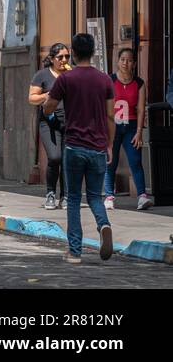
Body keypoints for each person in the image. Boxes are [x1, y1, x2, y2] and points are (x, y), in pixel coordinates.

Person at [44, 32, 115, 263]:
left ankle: (75, 252)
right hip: (97, 147)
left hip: (74, 146)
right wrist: (109, 145)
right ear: (93, 52)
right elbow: (111, 116)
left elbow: (48, 107)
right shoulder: (105, 79)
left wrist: (49, 103)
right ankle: (103, 224)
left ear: (73, 53)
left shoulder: (66, 79)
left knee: (73, 198)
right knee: (95, 196)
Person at [106, 47, 153, 211]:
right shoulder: (110, 80)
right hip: (113, 127)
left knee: (136, 161)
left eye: (130, 60)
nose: (126, 63)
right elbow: (105, 107)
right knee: (111, 162)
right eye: (123, 59)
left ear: (134, 63)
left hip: (132, 127)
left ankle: (142, 197)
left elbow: (141, 109)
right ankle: (109, 196)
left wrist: (140, 131)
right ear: (118, 61)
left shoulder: (139, 83)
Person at [29, 42, 70, 209]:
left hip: (70, 123)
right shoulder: (42, 75)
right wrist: (48, 94)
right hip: (49, 123)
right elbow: (31, 98)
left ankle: (66, 196)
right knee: (55, 157)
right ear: (52, 59)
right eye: (60, 57)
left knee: (68, 160)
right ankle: (50, 193)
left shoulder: (71, 74)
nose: (64, 60)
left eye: (67, 56)